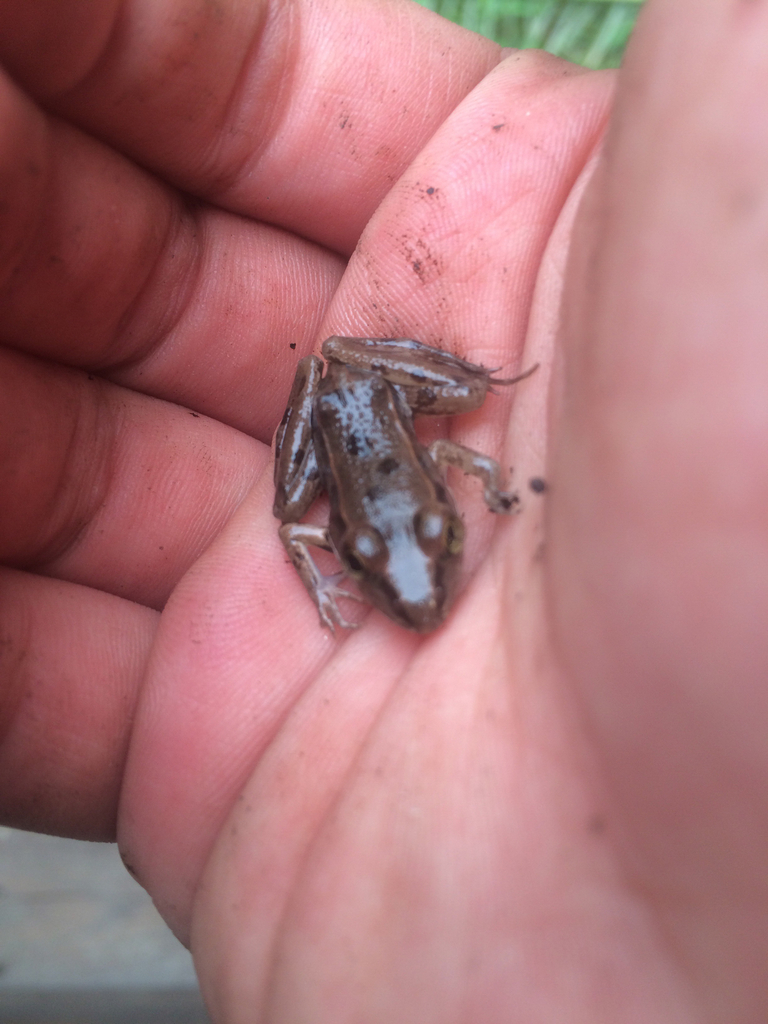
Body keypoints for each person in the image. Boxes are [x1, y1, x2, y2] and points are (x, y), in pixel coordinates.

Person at [1, 0, 766, 1019]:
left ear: (433, 531)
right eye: (384, 568)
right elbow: (364, 500)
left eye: (427, 557)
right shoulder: (350, 524)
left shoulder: (427, 498)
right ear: (366, 552)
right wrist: (323, 554)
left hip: (379, 408)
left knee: (466, 398)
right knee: (288, 507)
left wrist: (485, 480)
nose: (424, 592)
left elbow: (458, 462)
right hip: (351, 422)